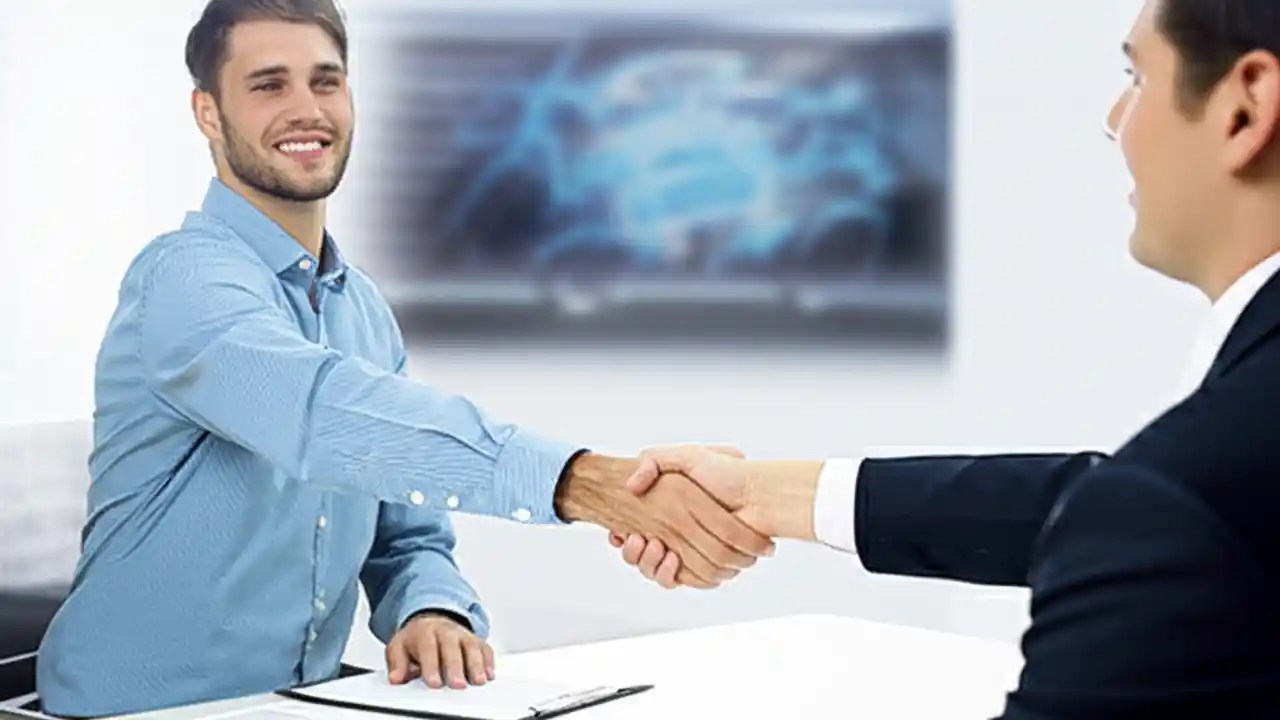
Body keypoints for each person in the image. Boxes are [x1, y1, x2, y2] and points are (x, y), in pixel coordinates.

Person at [33, 1, 772, 717]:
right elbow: (323, 418)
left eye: (326, 80)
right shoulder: (184, 282)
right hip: (133, 711)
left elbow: (403, 531)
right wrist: (587, 482)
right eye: (268, 85)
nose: (306, 108)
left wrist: (429, 607)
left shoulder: (362, 311)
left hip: (300, 703)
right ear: (207, 114)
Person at [615, 0, 1280, 717]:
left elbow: (1159, 518)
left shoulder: (1183, 498)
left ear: (1245, 107)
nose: (1115, 119)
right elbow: (1135, 508)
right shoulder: (1214, 475)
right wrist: (772, 495)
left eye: (1137, 77)